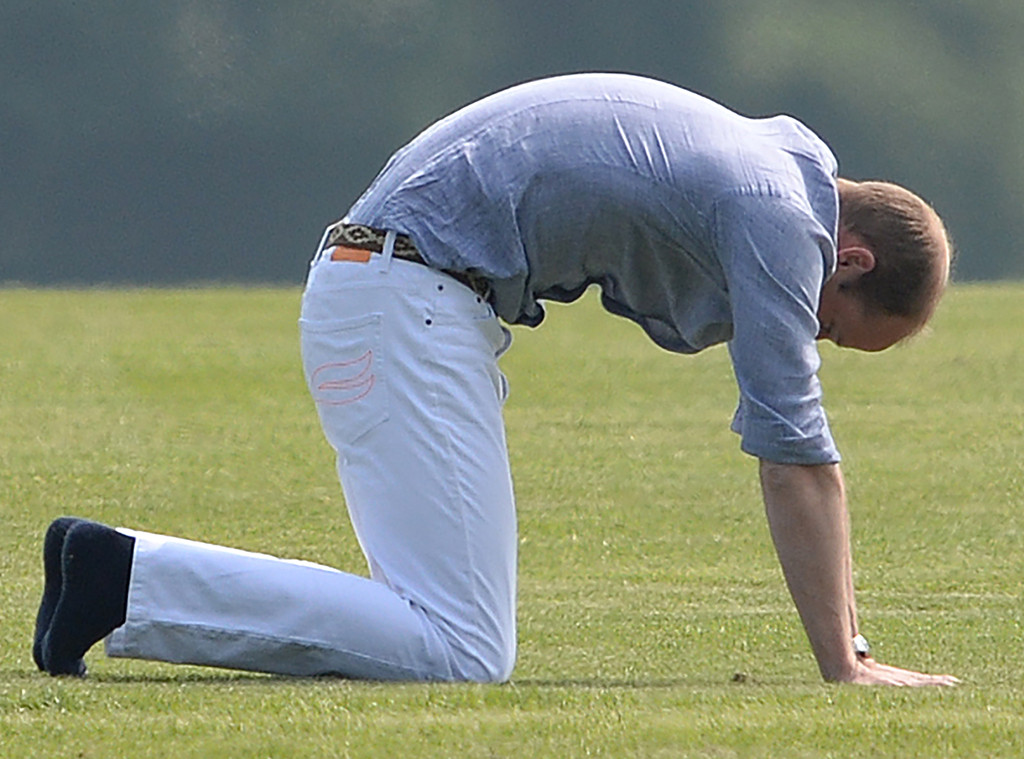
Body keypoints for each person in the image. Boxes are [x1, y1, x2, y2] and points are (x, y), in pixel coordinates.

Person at [34, 72, 958, 686]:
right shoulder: (778, 214)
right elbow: (796, 453)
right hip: (407, 300)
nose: (809, 334)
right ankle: (123, 579)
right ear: (855, 260)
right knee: (464, 647)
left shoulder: (763, 169)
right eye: (832, 328)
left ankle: (119, 578)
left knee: (450, 632)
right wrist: (848, 660)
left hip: (389, 290)